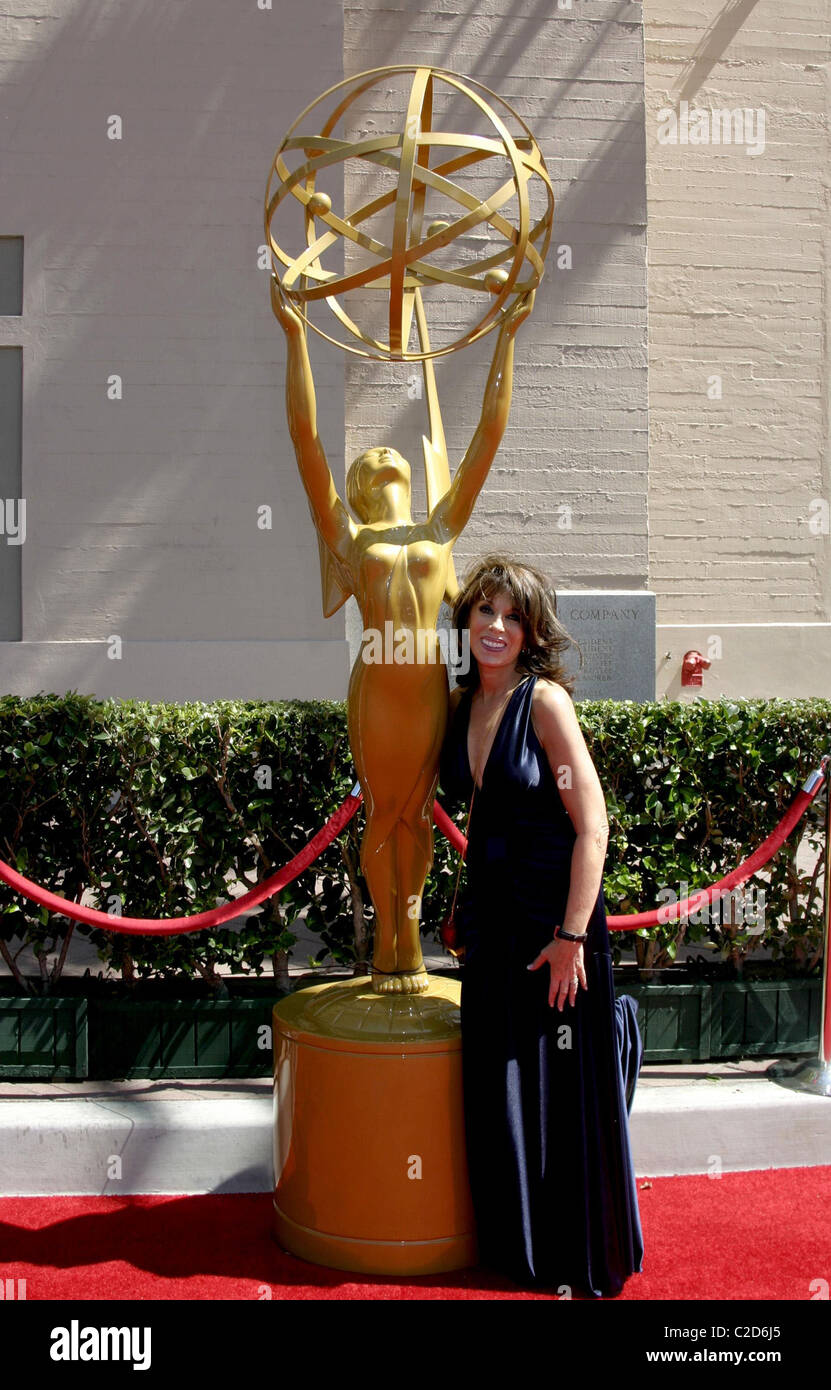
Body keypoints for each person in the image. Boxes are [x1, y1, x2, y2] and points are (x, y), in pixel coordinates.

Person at [270, 275, 534, 993]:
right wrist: (296, 336)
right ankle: (385, 944)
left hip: (427, 686)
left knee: (418, 814)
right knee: (384, 812)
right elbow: (305, 440)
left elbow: (489, 433)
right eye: (368, 461)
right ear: (357, 487)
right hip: (378, 689)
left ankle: (407, 944)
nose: (383, 457)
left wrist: (506, 335)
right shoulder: (349, 538)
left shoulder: (439, 526)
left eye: (390, 455)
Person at [439, 554, 644, 1298]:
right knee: (502, 1078)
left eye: (512, 616)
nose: (496, 626)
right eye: (484, 611)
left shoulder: (544, 702)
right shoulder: (460, 704)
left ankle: (571, 1252)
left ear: (531, 633)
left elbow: (593, 828)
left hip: (555, 923)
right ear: (464, 620)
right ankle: (515, 1246)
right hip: (490, 921)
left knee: (561, 1080)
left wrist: (569, 939)